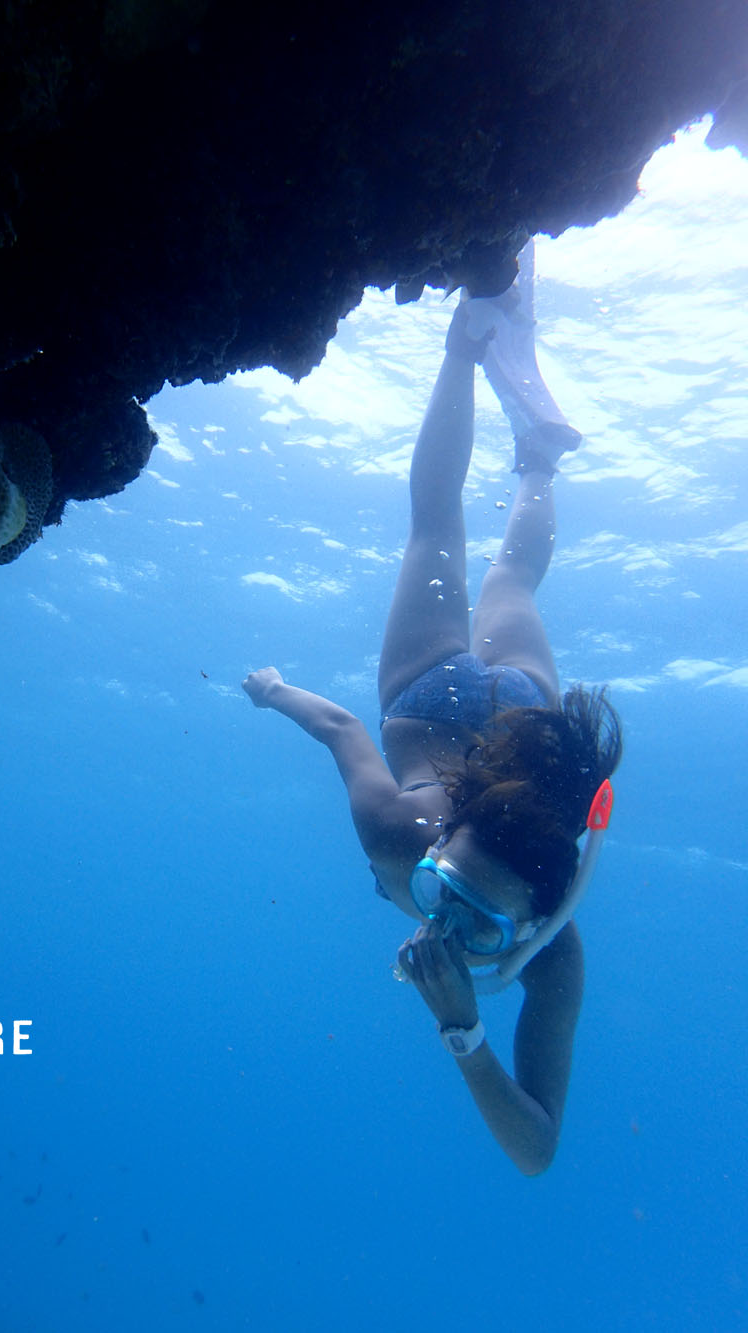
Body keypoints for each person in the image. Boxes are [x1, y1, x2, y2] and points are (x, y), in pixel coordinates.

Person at [242, 241, 622, 1176]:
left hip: (523, 710)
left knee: (503, 567)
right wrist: (271, 688)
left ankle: (534, 456)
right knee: (437, 521)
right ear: (529, 912)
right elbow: (533, 1147)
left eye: (444, 903)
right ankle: (469, 347)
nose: (445, 932)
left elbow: (540, 1152)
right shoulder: (449, 877)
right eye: (460, 908)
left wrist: (278, 693)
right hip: (428, 696)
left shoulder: (511, 894)